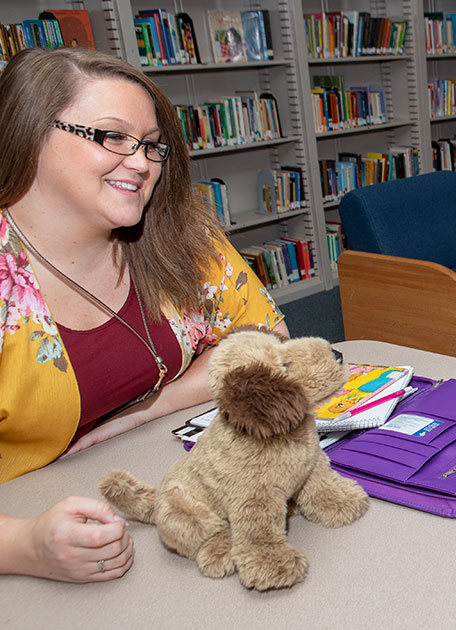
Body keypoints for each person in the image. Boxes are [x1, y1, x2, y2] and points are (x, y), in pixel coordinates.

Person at [0, 48, 287, 581]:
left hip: (167, 494)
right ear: (29, 134)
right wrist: (23, 545)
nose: (141, 163)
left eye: (152, 145)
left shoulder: (181, 235)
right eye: (113, 137)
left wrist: (150, 407)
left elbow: (267, 340)